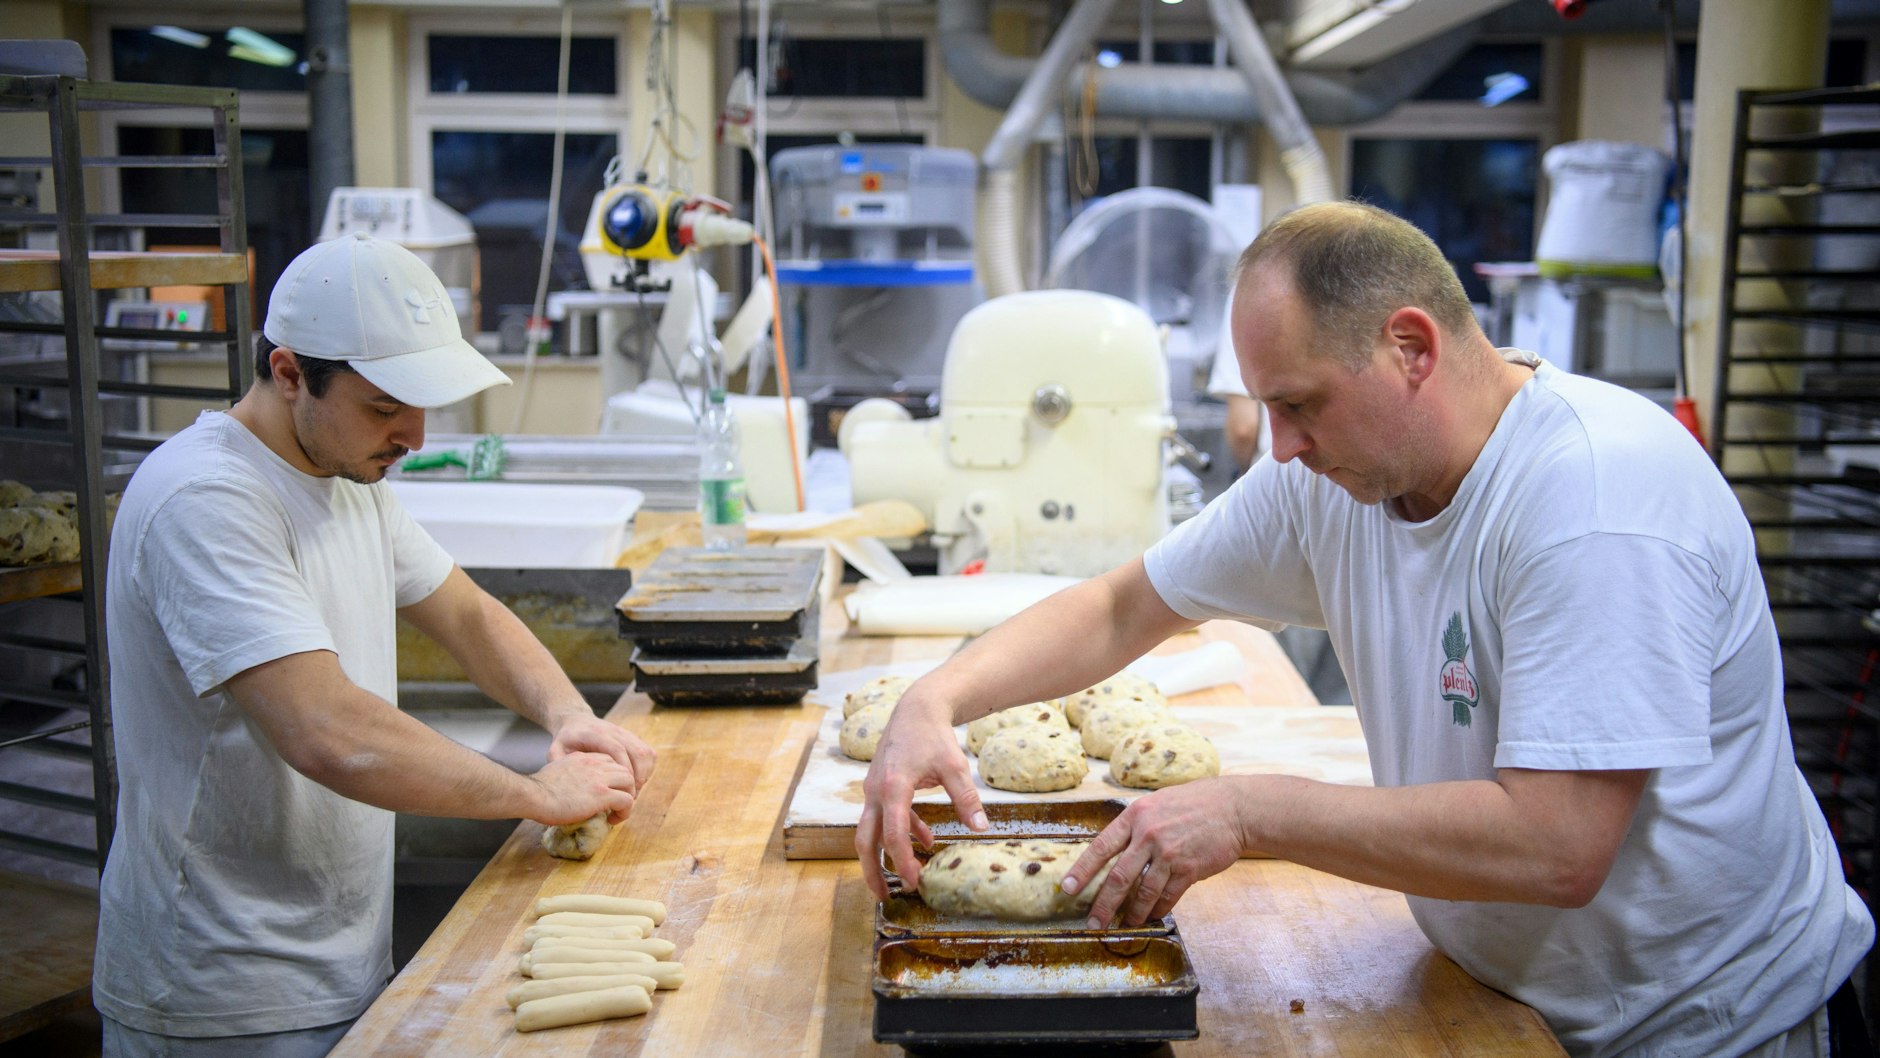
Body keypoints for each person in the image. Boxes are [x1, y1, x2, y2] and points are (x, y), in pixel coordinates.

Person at [858, 201, 1874, 1057]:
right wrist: (935, 699)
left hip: (1704, 1024)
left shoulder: (1591, 503)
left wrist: (1251, 811)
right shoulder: (1327, 480)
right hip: (1502, 996)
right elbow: (1128, 603)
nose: (1283, 446)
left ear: (1409, 348)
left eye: (1299, 404)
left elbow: (1556, 846)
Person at [94, 232, 656, 1058]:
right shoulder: (208, 498)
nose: (413, 436)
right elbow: (325, 731)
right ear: (290, 374)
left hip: (335, 954)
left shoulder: (345, 473)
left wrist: (567, 716)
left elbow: (466, 615)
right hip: (223, 990)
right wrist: (535, 794)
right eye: (387, 408)